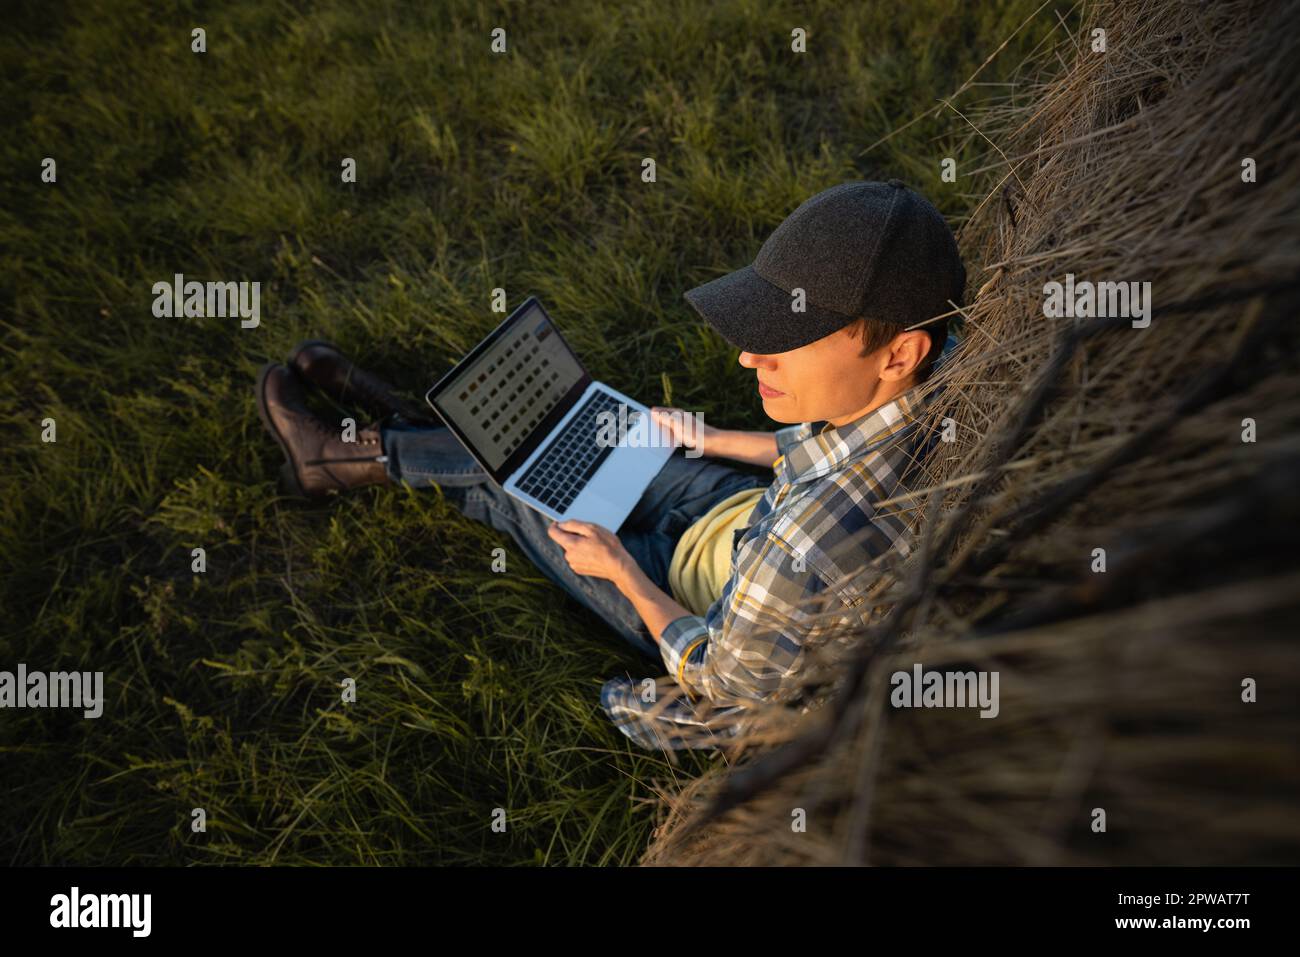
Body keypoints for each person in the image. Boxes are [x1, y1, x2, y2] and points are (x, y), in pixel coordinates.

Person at [255, 180, 966, 751]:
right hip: (739, 509)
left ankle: (354, 452)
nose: (750, 356)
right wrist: (716, 437)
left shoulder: (803, 546)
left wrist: (620, 569)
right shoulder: (951, 376)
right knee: (575, 435)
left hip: (679, 583)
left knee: (515, 485)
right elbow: (827, 450)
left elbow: (720, 676)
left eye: (786, 339)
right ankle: (410, 425)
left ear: (900, 353)